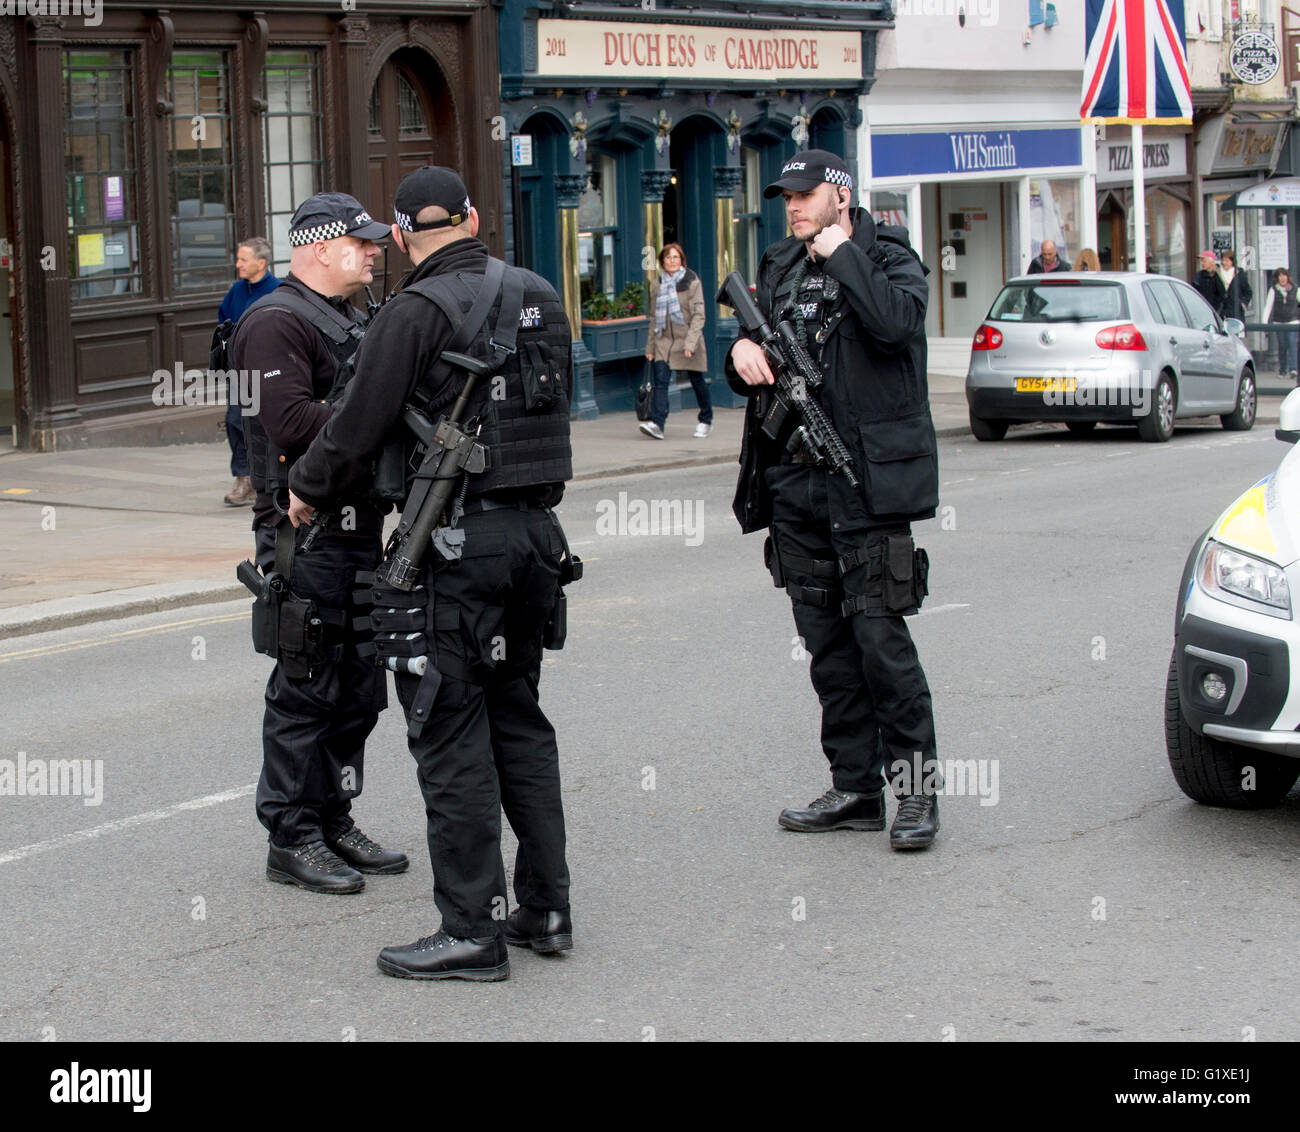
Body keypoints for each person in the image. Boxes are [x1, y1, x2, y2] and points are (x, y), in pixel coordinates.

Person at [287, 166, 576, 981]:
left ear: (406, 233)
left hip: (450, 547)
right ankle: (545, 908)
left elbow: (351, 428)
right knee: (519, 719)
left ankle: (471, 932)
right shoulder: (540, 291)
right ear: (475, 217)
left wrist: (306, 490)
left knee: (449, 736)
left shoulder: (415, 309)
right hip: (534, 540)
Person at [726, 149, 941, 851]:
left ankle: (915, 797)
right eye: (785, 196)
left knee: (881, 641)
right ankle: (854, 785)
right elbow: (757, 344)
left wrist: (843, 252)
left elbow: (894, 327)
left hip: (866, 482)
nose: (791, 206)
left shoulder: (890, 256)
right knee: (826, 648)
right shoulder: (780, 265)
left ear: (840, 196)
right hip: (794, 481)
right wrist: (741, 357)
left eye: (805, 194)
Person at [229, 192, 407, 895]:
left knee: (359, 690)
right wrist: (378, 405)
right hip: (306, 536)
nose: (371, 251)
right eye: (359, 243)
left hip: (361, 532)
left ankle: (334, 814)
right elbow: (291, 421)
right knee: (308, 686)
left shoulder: (351, 315)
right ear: (316, 248)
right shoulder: (272, 322)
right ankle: (291, 834)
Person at [217, 238, 280, 506]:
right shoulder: (237, 290)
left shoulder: (278, 289)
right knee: (235, 420)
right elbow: (223, 320)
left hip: (270, 368)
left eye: (243, 259)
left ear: (261, 263)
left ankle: (270, 476)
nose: (238, 264)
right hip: (239, 366)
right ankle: (244, 477)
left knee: (268, 422)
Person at [641, 243, 711, 439]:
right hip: (663, 340)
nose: (672, 261)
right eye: (668, 258)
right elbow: (654, 317)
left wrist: (690, 343)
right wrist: (650, 346)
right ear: (663, 261)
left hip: (687, 338)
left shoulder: (692, 282)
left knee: (697, 381)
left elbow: (699, 315)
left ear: (682, 260)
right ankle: (658, 424)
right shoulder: (658, 284)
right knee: (660, 382)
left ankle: (706, 419)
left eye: (676, 257)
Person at [1262, 267, 1299, 382]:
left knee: (1292, 343)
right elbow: (1268, 306)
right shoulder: (1273, 290)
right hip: (1279, 321)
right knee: (1282, 346)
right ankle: (1283, 369)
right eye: (1280, 276)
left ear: (1288, 277)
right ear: (1277, 278)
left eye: (1284, 275)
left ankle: (1293, 369)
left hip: (1293, 321)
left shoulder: (1296, 289)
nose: (1282, 278)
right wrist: (1264, 322)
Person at [1219, 249, 1253, 322]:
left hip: (1235, 312)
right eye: (1223, 260)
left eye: (1227, 260)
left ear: (1232, 261)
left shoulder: (1239, 274)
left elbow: (1248, 292)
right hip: (1221, 312)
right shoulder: (1218, 274)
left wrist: (1242, 304)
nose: (1224, 263)